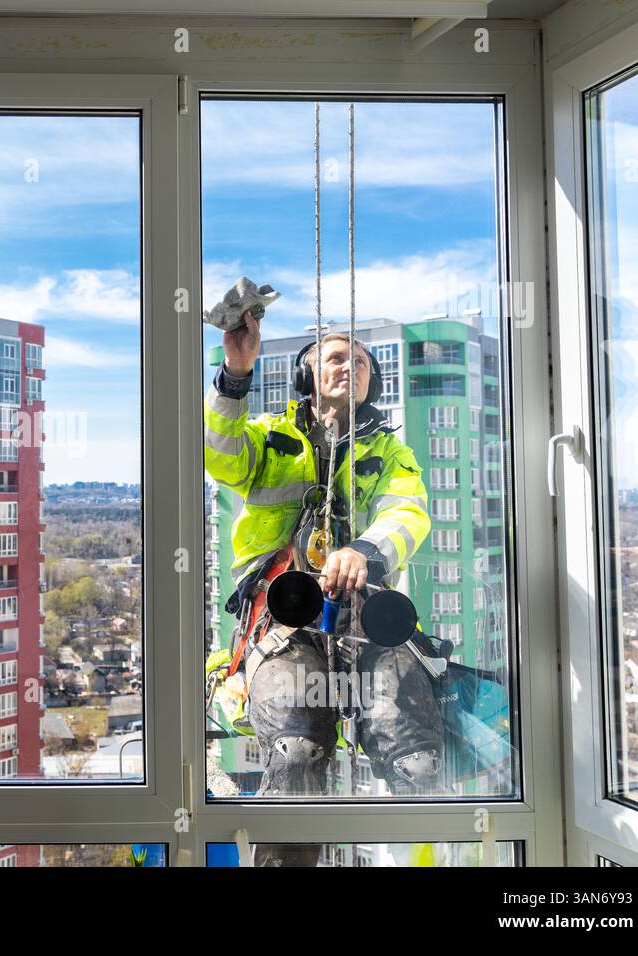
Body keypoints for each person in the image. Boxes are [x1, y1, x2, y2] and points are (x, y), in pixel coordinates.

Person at [204, 283, 442, 866]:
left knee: (414, 757)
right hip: (286, 616)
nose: (351, 367)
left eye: (360, 362)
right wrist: (236, 371)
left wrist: (365, 549)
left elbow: (408, 511)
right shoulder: (272, 440)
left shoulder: (389, 453)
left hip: (367, 618)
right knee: (296, 747)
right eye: (336, 358)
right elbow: (217, 451)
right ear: (307, 377)